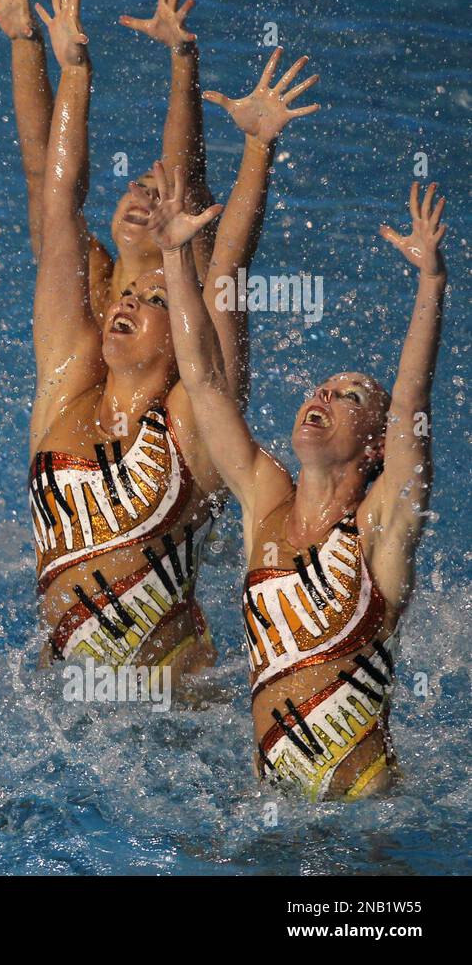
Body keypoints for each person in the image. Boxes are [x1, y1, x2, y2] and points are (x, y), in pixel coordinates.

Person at [24, 0, 318, 672]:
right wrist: (73, 73)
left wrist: (256, 151)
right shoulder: (66, 390)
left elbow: (226, 270)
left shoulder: (194, 425)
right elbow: (57, 200)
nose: (128, 303)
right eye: (133, 296)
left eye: (158, 302)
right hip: (55, 698)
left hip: (169, 712)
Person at [129, 168, 449, 798]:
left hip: (362, 815)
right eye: (322, 387)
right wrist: (174, 256)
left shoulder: (379, 529)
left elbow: (413, 398)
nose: (323, 394)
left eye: (350, 395)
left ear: (376, 442)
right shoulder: (265, 501)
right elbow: (206, 383)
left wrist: (431, 284)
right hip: (267, 805)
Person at [0, 0, 215, 323]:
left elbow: (184, 176)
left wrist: (182, 55)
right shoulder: (90, 277)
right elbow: (44, 178)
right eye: (141, 186)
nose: (139, 196)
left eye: (159, 196)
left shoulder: (193, 293)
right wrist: (23, 40)